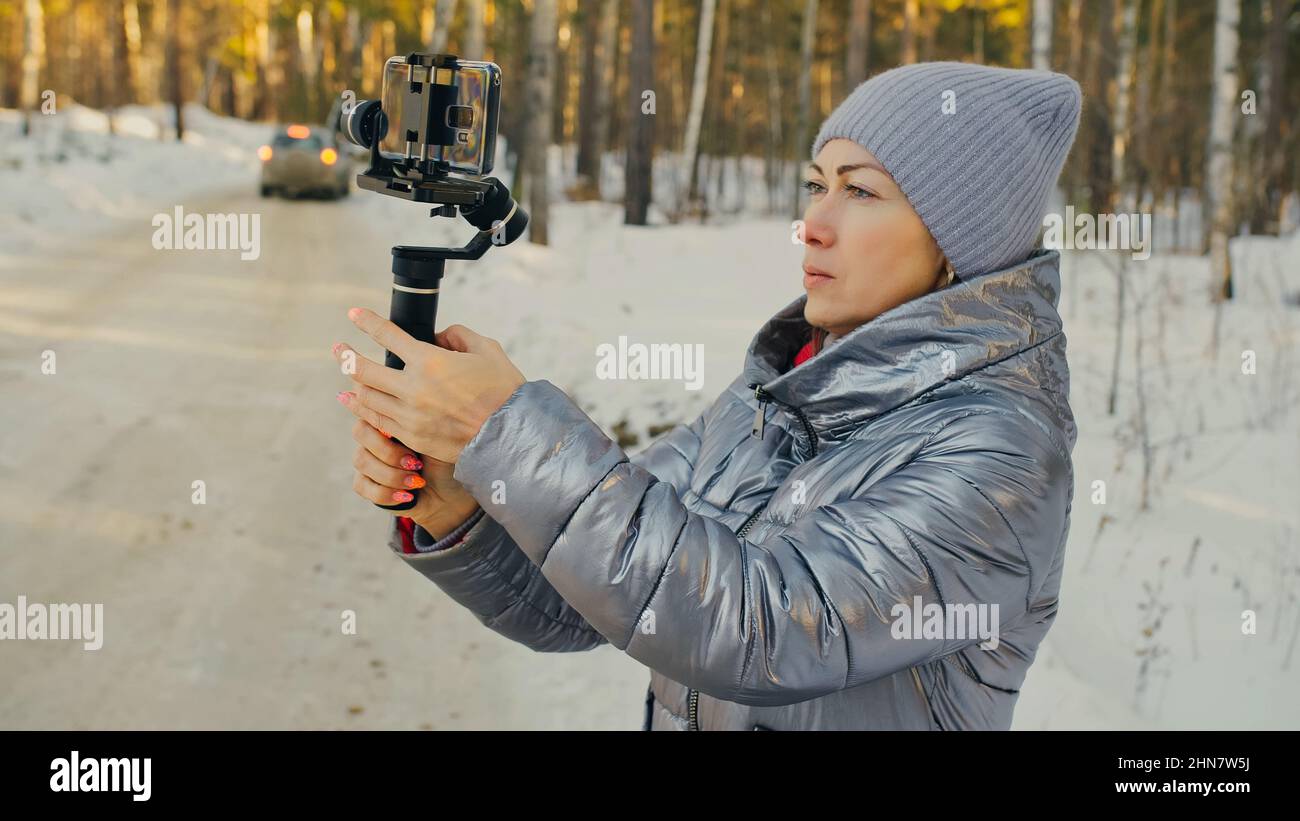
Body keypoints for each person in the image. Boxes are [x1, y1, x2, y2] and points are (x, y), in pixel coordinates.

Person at [333, 61, 1083, 730]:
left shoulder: (1001, 451)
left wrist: (510, 428)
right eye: (816, 186)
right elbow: (594, 593)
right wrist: (458, 505)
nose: (813, 225)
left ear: (961, 245)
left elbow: (764, 632)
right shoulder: (779, 391)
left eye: (861, 191)